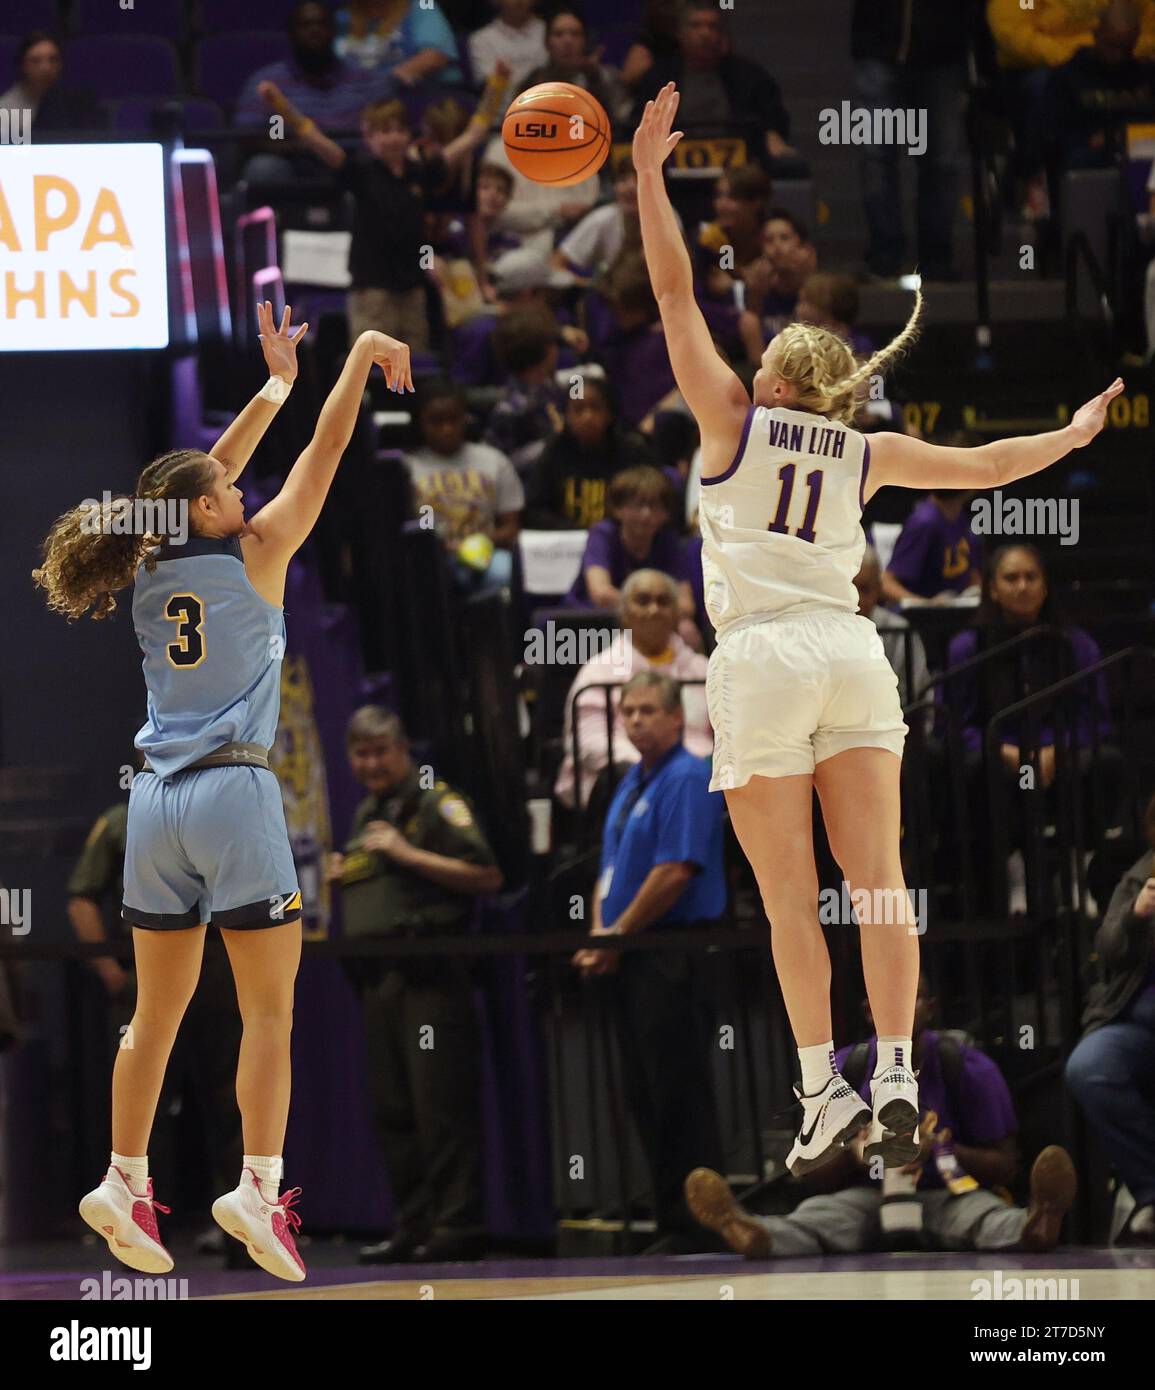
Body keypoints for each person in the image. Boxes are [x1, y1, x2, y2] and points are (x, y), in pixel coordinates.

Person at [634, 79, 1124, 1176]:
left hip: (761, 656)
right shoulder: (864, 452)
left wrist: (645, 176)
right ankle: (898, 1068)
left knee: (787, 902)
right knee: (882, 880)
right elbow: (995, 466)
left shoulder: (730, 419)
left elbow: (672, 292)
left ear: (770, 378)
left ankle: (822, 1090)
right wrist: (1078, 429)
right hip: (855, 652)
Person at [34, 301, 414, 1282]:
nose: (242, 489)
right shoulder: (263, 551)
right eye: (228, 487)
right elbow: (326, 450)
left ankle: (123, 1177)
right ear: (211, 505)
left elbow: (196, 480)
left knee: (153, 1018)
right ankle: (257, 1184)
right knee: (270, 1011)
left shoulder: (148, 557)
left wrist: (274, 384)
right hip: (237, 798)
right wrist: (360, 356)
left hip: (153, 805)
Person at [685, 979, 1079, 1257]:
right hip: (867, 1197)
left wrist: (942, 1149)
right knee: (819, 1218)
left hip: (945, 1193)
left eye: (910, 994)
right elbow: (807, 1173)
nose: (898, 1005)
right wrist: (856, 1154)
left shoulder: (966, 1066)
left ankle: (1037, 1223)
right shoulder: (842, 1070)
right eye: (884, 996)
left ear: (931, 1007)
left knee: (983, 1215)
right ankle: (750, 1231)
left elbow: (1006, 1166)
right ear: (869, 1011)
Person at [327, 706, 500, 1263]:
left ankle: (458, 1227)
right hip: (380, 983)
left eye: (381, 751)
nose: (372, 763)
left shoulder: (435, 802)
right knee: (394, 1110)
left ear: (403, 750)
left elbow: (486, 876)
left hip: (430, 976)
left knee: (438, 1106)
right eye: (361, 753)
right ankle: (414, 1223)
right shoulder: (366, 813)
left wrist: (406, 854)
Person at [572, 670, 726, 1250]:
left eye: (647, 711)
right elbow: (607, 872)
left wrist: (616, 934)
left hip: (673, 952)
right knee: (645, 1094)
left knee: (679, 1091)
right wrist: (601, 935)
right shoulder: (631, 781)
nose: (635, 720)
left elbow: (675, 871)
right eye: (628, 711)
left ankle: (698, 1224)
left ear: (674, 717)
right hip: (631, 952)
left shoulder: (686, 776)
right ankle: (671, 1220)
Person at [261, 67, 509, 350]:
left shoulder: (420, 172)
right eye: (384, 131)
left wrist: (497, 85)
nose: (394, 138)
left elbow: (472, 135)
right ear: (368, 136)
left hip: (412, 289)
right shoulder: (360, 172)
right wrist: (280, 105)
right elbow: (314, 139)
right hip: (372, 290)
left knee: (412, 367)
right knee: (372, 368)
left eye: (400, 130)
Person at [1066, 791, 1155, 1246]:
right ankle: (1151, 1193)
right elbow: (1108, 950)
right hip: (1136, 1022)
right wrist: (1137, 916)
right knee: (1090, 1067)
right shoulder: (1143, 874)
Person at [555, 569, 712, 811]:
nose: (654, 609)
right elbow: (589, 743)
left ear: (676, 614)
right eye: (643, 601)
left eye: (663, 601)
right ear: (625, 613)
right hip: (626, 778)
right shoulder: (598, 671)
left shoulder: (703, 670)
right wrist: (658, 768)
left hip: (699, 779)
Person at [850, 0, 977, 280]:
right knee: (876, 157)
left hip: (942, 52)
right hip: (879, 47)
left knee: (941, 163)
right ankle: (885, 254)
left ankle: (936, 257)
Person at [234, 1, 396, 185]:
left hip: (353, 164)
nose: (314, 31)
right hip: (292, 162)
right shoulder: (268, 82)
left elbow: (389, 128)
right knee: (263, 168)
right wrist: (299, 145)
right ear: (291, 34)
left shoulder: (367, 80)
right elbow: (247, 137)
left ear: (334, 31)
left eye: (321, 24)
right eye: (306, 25)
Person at [630, 0, 801, 171]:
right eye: (696, 25)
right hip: (670, 169)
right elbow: (639, 123)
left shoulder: (749, 76)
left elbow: (773, 120)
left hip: (738, 174)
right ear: (679, 32)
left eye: (712, 26)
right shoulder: (658, 77)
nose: (705, 33)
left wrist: (770, 134)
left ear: (721, 33)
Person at [403, 378, 524, 593]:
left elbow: (511, 527)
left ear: (465, 419)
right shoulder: (408, 468)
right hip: (433, 559)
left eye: (453, 419)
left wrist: (479, 542)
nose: (446, 429)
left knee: (505, 571)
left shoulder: (494, 461)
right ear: (421, 422)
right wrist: (443, 547)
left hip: (486, 553)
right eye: (436, 421)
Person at [566, 465, 694, 635]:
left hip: (651, 622)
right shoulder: (603, 535)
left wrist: (650, 613)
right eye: (638, 505)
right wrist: (651, 610)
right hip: (593, 622)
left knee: (687, 631)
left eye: (655, 506)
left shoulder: (668, 540)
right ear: (618, 509)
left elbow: (686, 606)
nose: (646, 514)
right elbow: (601, 594)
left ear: (666, 514)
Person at [523, 374, 654, 530]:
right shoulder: (555, 452)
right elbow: (534, 511)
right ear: (567, 416)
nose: (588, 416)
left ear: (609, 413)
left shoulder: (633, 452)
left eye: (595, 407)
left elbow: (654, 503)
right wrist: (574, 530)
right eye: (578, 409)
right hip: (567, 542)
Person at [882, 466, 984, 604]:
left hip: (957, 611)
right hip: (921, 618)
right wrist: (927, 606)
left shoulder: (961, 518)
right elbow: (886, 583)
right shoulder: (924, 522)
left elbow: (972, 574)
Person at [853, 546, 929, 708]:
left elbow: (916, 698)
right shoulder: (820, 630)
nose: (856, 599)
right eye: (850, 588)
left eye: (865, 589)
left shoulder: (901, 631)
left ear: (879, 589)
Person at [522, 7, 620, 128]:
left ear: (585, 41)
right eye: (559, 34)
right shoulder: (534, 82)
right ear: (547, 42)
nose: (567, 41)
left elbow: (617, 125)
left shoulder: (603, 77)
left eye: (575, 34)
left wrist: (594, 79)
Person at [333, 0, 463, 84]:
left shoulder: (423, 3)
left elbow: (435, 56)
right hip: (352, 99)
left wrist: (386, 81)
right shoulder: (341, 11)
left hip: (415, 96)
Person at [0, 30, 101, 133]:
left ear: (61, 65)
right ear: (22, 66)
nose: (46, 68)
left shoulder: (79, 105)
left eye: (53, 60)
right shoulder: (6, 110)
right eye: (35, 61)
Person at [469, 0, 547, 90]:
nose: (519, 1)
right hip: (505, 102)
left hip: (550, 98)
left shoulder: (553, 32)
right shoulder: (480, 40)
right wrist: (499, 78)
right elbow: (487, 87)